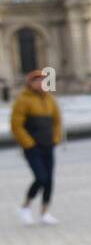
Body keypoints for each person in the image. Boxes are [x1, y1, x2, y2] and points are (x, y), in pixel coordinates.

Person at [11, 68, 62, 225]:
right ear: (30, 83)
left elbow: (57, 121)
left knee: (49, 180)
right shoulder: (23, 100)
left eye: (43, 81)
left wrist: (56, 138)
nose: (40, 83)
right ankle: (25, 207)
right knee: (40, 178)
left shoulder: (50, 100)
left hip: (48, 145)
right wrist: (28, 144)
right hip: (33, 147)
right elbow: (16, 125)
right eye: (37, 81)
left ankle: (45, 212)